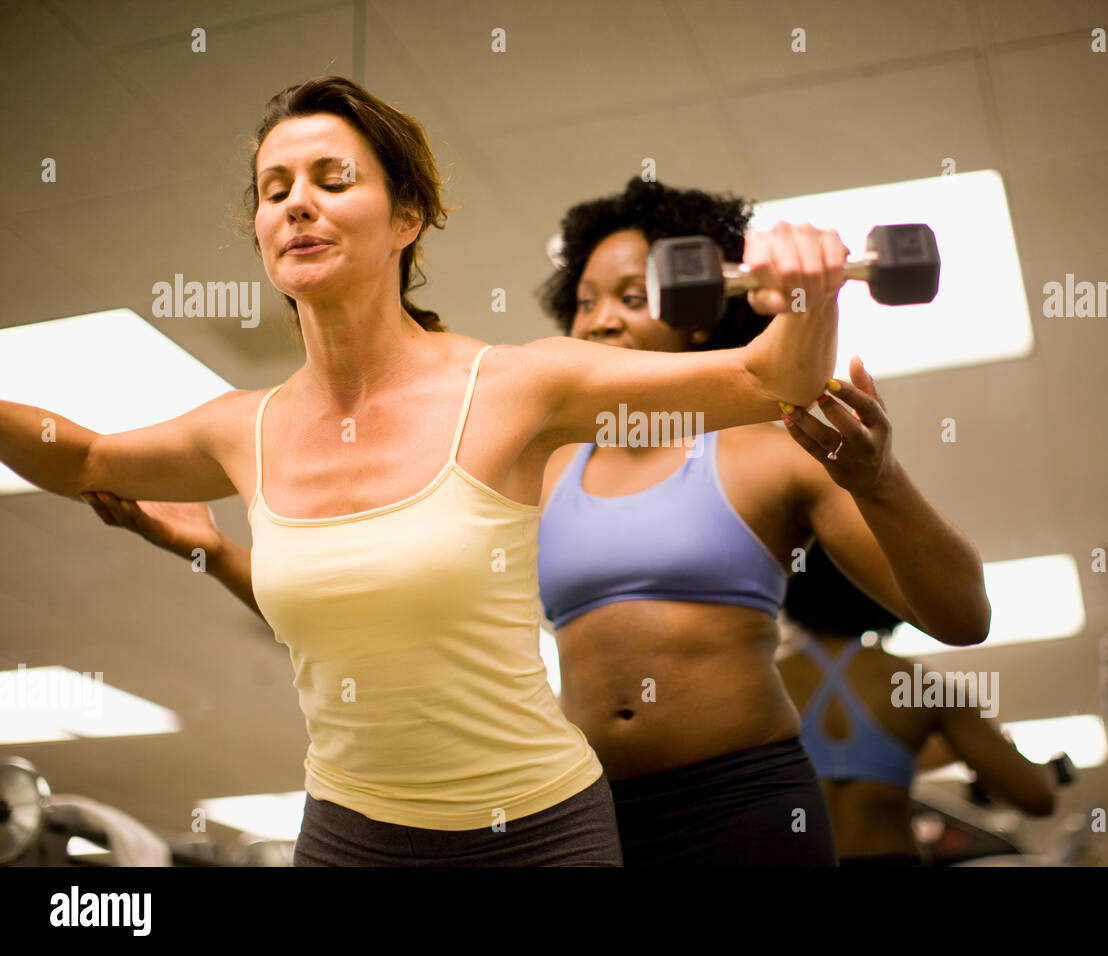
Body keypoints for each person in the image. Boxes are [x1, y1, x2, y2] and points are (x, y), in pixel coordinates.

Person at [0, 77, 847, 867]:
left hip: (541, 831)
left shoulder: (515, 387)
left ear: (407, 217)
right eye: (274, 188)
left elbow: (771, 379)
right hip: (349, 835)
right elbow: (81, 457)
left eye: (333, 178)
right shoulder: (239, 429)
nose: (298, 201)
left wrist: (807, 295)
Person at [76, 177, 990, 866]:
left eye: (632, 297)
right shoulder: (537, 465)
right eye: (585, 301)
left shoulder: (766, 445)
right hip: (574, 808)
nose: (599, 322)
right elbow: (373, 615)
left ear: (700, 306)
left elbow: (959, 615)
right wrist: (217, 554)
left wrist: (881, 478)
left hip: (741, 801)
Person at [776, 540, 1059, 866]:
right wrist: (1046, 772)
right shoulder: (919, 685)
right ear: (883, 587)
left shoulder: (766, 683)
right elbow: (1037, 796)